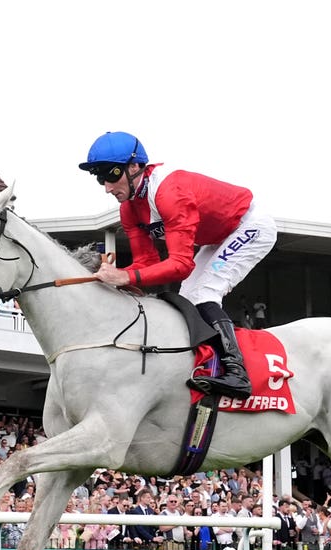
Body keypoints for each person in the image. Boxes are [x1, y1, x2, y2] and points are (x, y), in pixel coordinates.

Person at [82, 131, 277, 399]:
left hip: (250, 226)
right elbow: (146, 262)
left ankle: (237, 373)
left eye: (111, 174)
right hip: (218, 238)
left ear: (134, 166)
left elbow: (181, 265)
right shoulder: (129, 208)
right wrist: (118, 279)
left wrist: (124, 277)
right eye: (100, 177)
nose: (107, 186)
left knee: (206, 292)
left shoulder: (169, 192)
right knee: (187, 299)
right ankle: (207, 364)